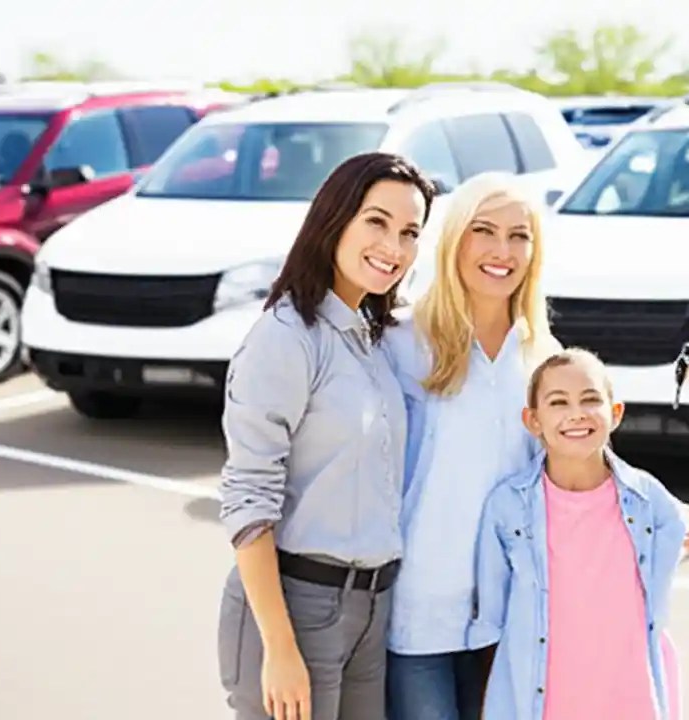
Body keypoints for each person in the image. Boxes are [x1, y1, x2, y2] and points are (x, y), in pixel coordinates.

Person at [381, 173, 689, 720]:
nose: (502, 251)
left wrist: (660, 505)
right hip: (419, 609)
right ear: (454, 238)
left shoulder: (540, 353)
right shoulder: (399, 343)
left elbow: (578, 450)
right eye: (483, 231)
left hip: (516, 619)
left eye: (520, 235)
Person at [216, 152, 436, 720]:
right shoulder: (287, 337)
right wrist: (281, 648)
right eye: (377, 222)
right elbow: (247, 501)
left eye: (410, 232)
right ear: (334, 219)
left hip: (372, 608)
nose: (394, 246)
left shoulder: (371, 335)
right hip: (297, 607)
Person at [470, 348, 689, 720]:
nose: (576, 414)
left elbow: (666, 562)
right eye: (558, 402)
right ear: (533, 420)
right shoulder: (507, 507)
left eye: (591, 400)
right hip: (540, 699)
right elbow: (492, 619)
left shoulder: (648, 499)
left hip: (628, 696)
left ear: (615, 413)